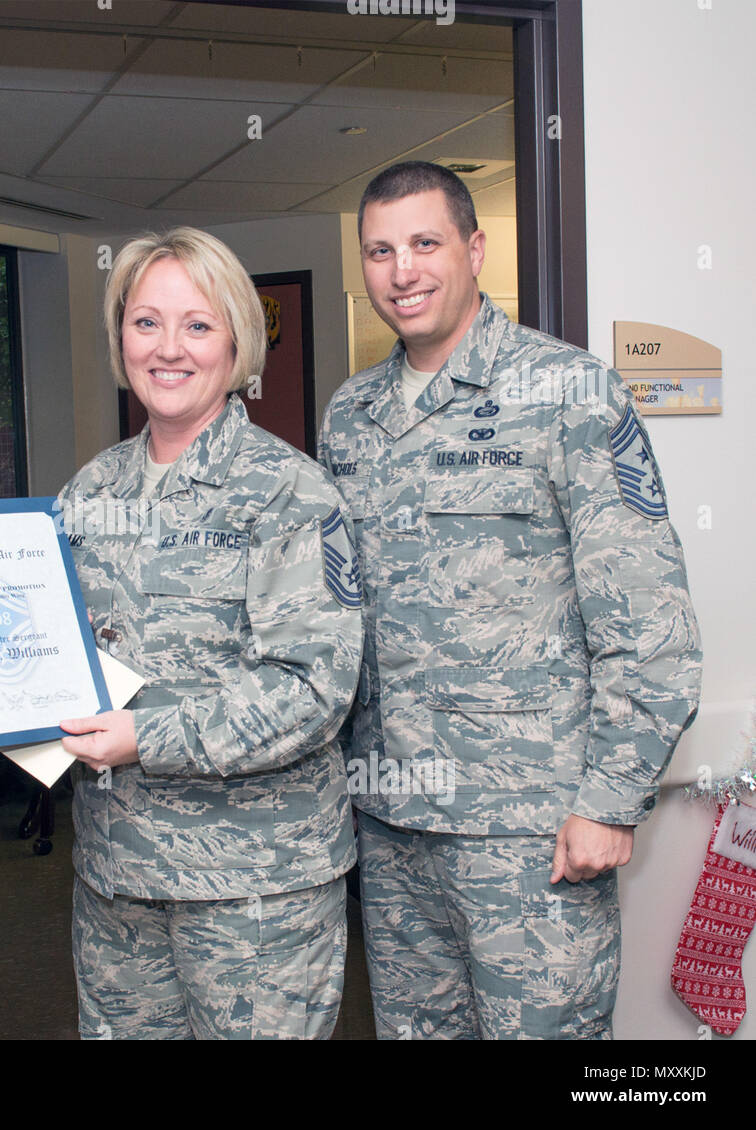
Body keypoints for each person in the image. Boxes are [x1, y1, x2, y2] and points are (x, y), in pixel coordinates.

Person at [319, 161, 702, 1039]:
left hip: (530, 835)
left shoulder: (569, 392)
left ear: (474, 248)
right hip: (392, 822)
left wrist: (609, 800)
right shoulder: (351, 415)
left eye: (424, 243)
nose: (402, 270)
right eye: (379, 251)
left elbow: (650, 624)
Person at [55, 227, 363, 1039]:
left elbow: (310, 691)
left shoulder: (291, 492)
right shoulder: (90, 490)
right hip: (118, 877)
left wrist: (142, 738)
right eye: (146, 322)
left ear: (238, 343)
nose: (169, 348)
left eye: (197, 325)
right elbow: (39, 637)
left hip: (253, 888)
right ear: (120, 338)